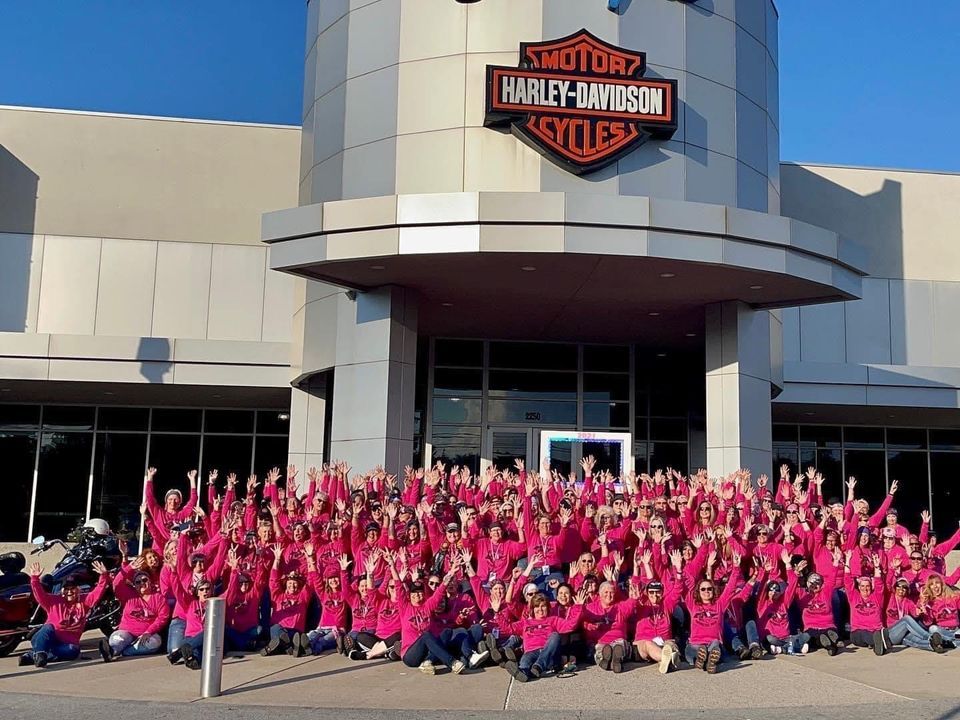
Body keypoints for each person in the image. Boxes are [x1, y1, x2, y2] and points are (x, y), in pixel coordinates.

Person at [23, 560, 110, 668]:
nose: (69, 592)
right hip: (46, 638)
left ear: (78, 590)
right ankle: (40, 653)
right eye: (67, 589)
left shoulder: (85, 601)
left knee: (73, 650)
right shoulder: (54, 601)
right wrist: (35, 580)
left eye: (72, 589)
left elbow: (98, 592)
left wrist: (104, 575)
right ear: (62, 591)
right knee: (48, 627)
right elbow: (39, 595)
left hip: (66, 645)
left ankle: (33, 656)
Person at [503, 589, 585, 682]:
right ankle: (525, 672)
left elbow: (571, 625)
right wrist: (497, 612)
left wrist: (578, 606)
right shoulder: (526, 623)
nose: (540, 609)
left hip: (551, 655)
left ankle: (538, 666)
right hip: (531, 652)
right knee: (525, 662)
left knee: (555, 635)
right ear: (533, 609)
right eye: (537, 607)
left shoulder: (554, 620)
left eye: (543, 606)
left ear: (548, 608)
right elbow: (508, 628)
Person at [100, 558, 170, 661]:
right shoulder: (129, 595)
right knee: (117, 639)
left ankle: (125, 651)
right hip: (126, 632)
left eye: (145, 580)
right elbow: (116, 583)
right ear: (134, 585)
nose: (142, 583)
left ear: (150, 581)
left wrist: (148, 632)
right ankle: (112, 651)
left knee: (155, 643)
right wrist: (130, 567)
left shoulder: (159, 598)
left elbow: (162, 618)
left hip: (147, 634)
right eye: (138, 582)